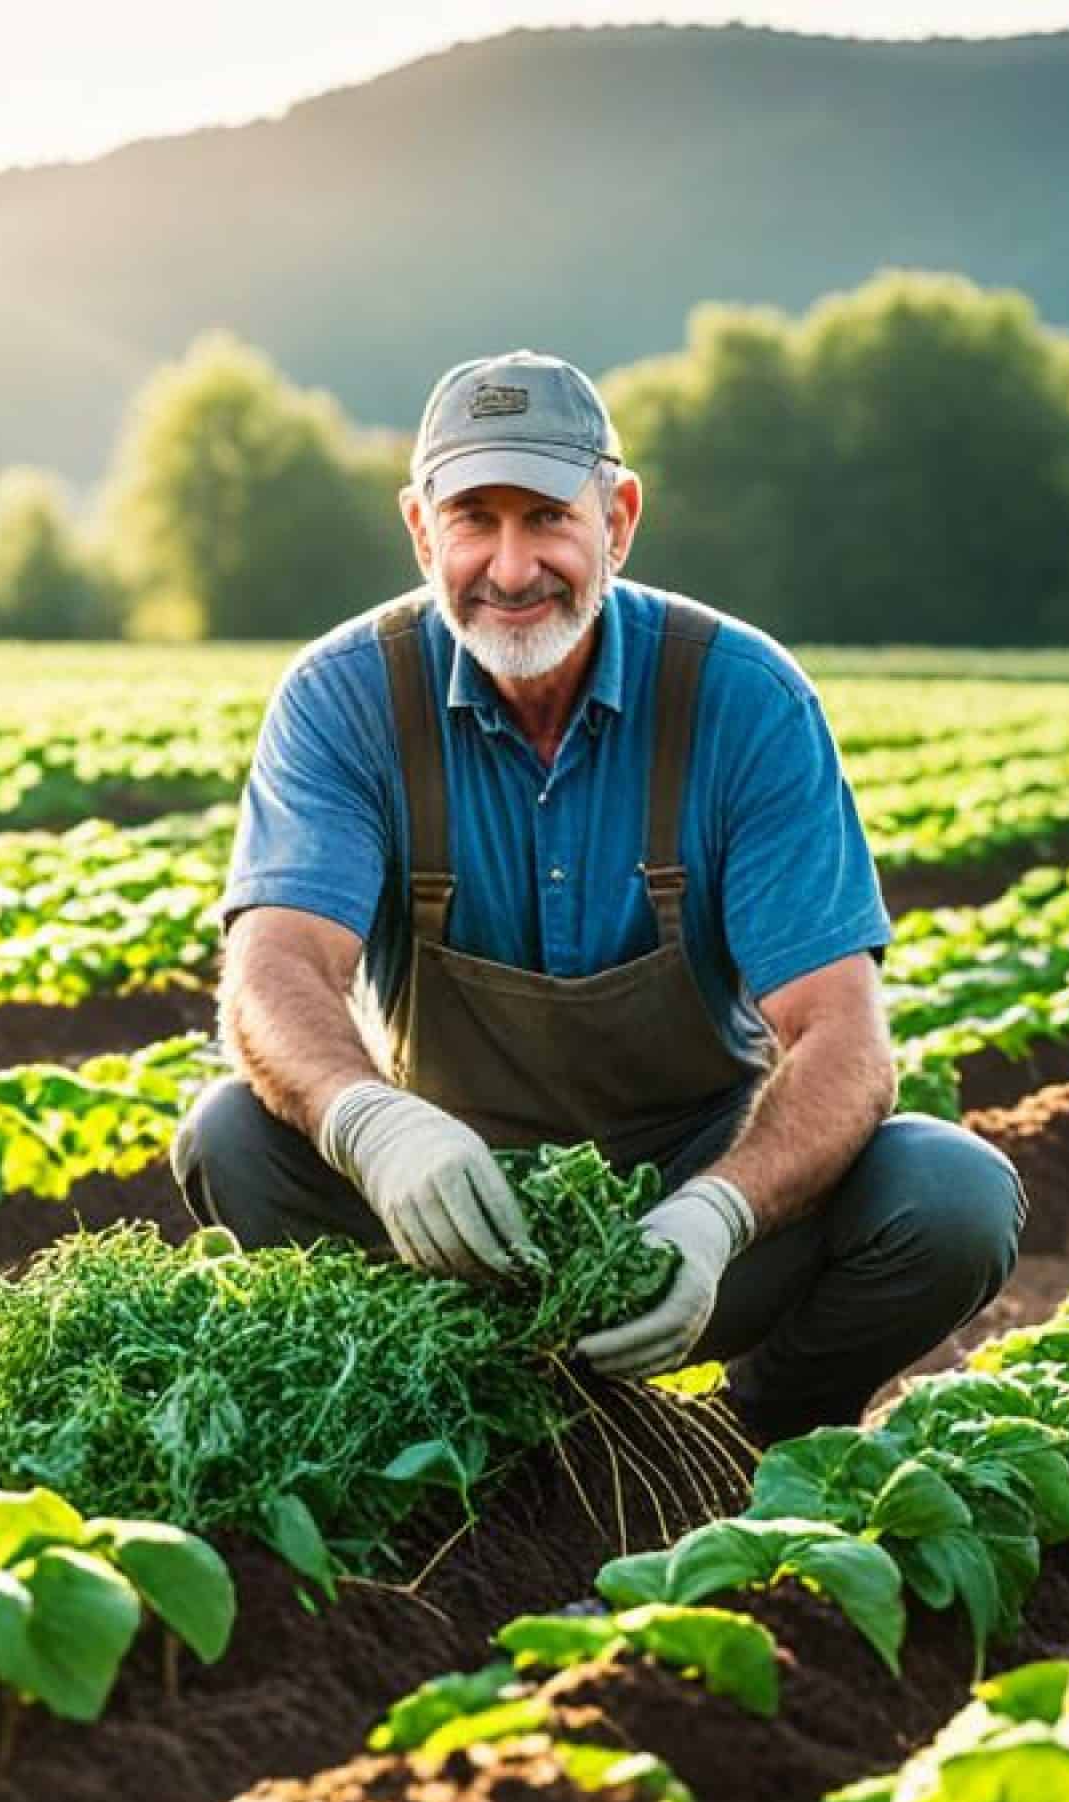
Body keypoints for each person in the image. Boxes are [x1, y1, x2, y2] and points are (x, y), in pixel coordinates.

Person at [169, 348, 1026, 1444]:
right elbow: (275, 966)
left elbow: (841, 1036)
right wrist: (376, 1128)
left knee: (948, 1194)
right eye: (473, 520)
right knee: (232, 1135)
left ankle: (751, 1434)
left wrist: (718, 1214)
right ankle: (426, 1417)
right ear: (421, 530)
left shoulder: (741, 696)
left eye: (548, 518)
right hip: (440, 1207)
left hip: (687, 1201)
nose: (511, 566)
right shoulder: (346, 695)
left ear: (617, 520)